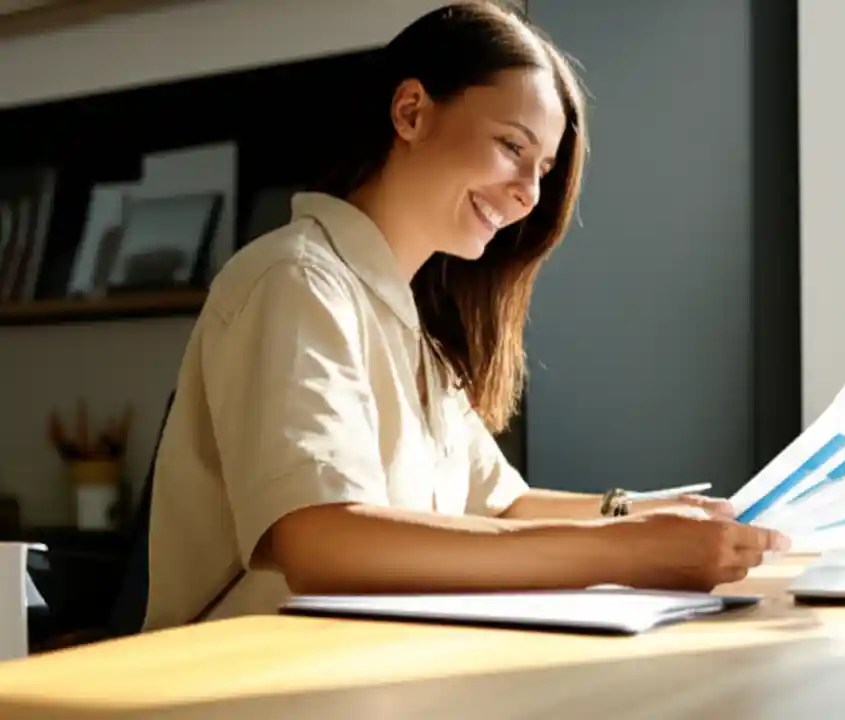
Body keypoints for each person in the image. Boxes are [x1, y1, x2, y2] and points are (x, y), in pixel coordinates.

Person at [142, 1, 787, 632]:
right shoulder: (297, 282)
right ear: (411, 112)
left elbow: (501, 505)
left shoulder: (410, 324)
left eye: (542, 170)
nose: (529, 193)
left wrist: (640, 514)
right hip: (248, 679)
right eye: (512, 146)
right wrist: (628, 550)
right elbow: (321, 541)